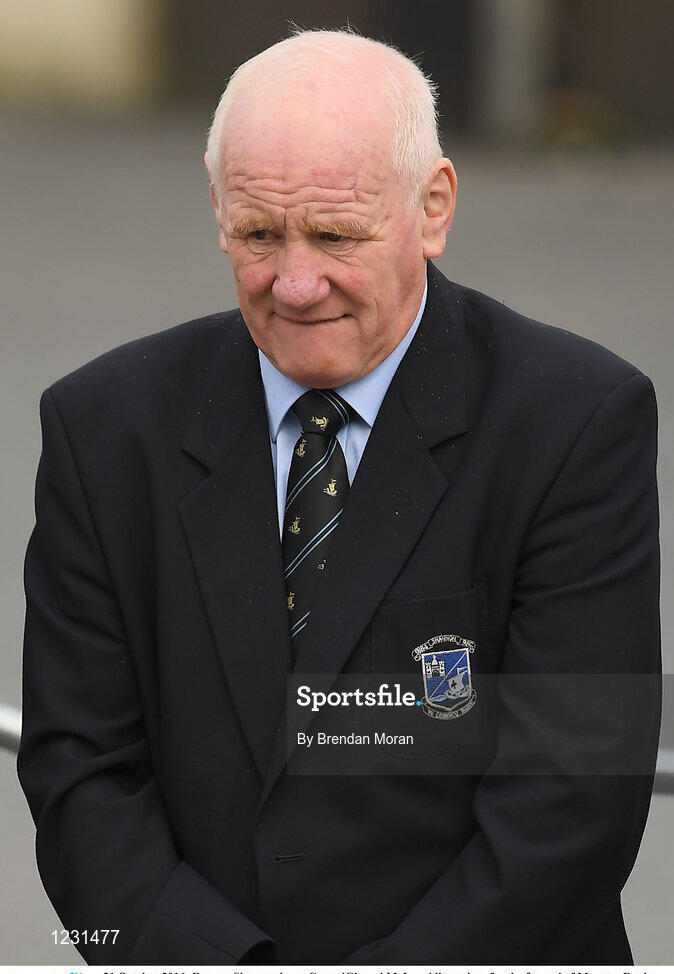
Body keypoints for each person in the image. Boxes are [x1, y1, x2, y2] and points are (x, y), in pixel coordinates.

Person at [18, 28, 660, 965]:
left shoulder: (574, 423)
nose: (295, 282)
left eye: (333, 234)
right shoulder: (103, 430)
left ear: (434, 206)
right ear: (216, 209)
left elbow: (572, 803)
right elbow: (81, 781)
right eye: (257, 234)